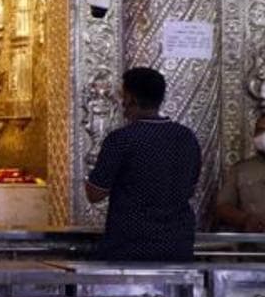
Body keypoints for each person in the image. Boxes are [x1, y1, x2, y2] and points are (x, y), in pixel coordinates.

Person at [85, 67, 202, 261]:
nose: (122, 102)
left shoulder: (122, 139)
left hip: (130, 247)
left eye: (123, 95)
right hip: (177, 244)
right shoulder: (186, 137)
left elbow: (95, 193)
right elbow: (190, 187)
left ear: (130, 98)